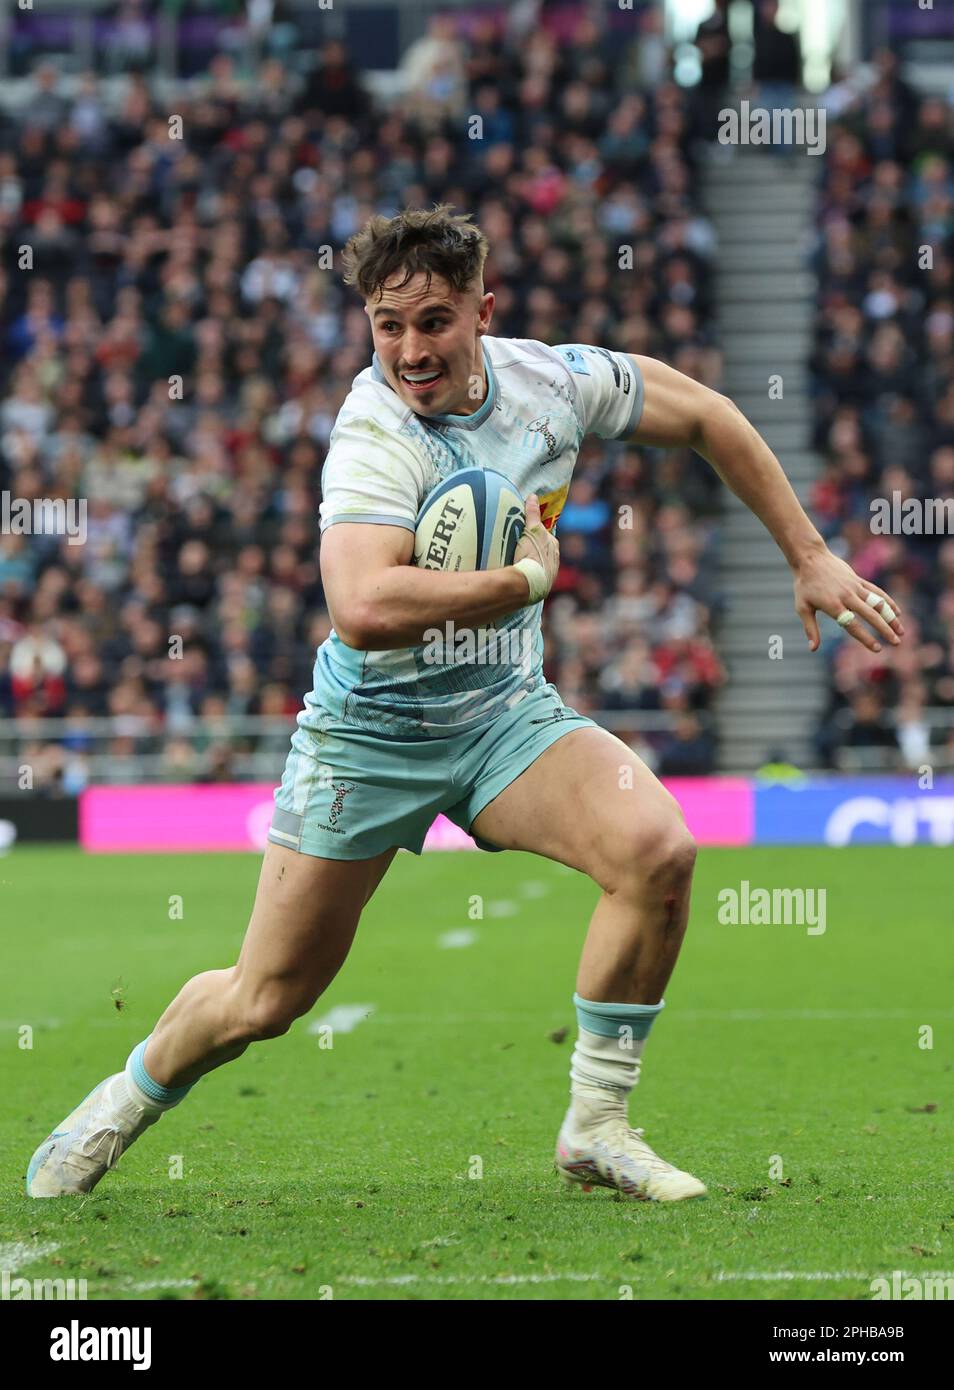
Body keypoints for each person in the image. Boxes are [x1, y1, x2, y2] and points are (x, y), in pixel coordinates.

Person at [26, 206, 904, 1204]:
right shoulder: (372, 434)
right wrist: (524, 582)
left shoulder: (553, 383)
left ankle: (597, 1126)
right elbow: (362, 607)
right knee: (265, 999)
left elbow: (706, 413)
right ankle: (125, 1098)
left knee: (657, 851)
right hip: (370, 737)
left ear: (484, 312)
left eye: (434, 321)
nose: (409, 349)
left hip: (501, 717)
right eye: (386, 324)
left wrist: (810, 552)